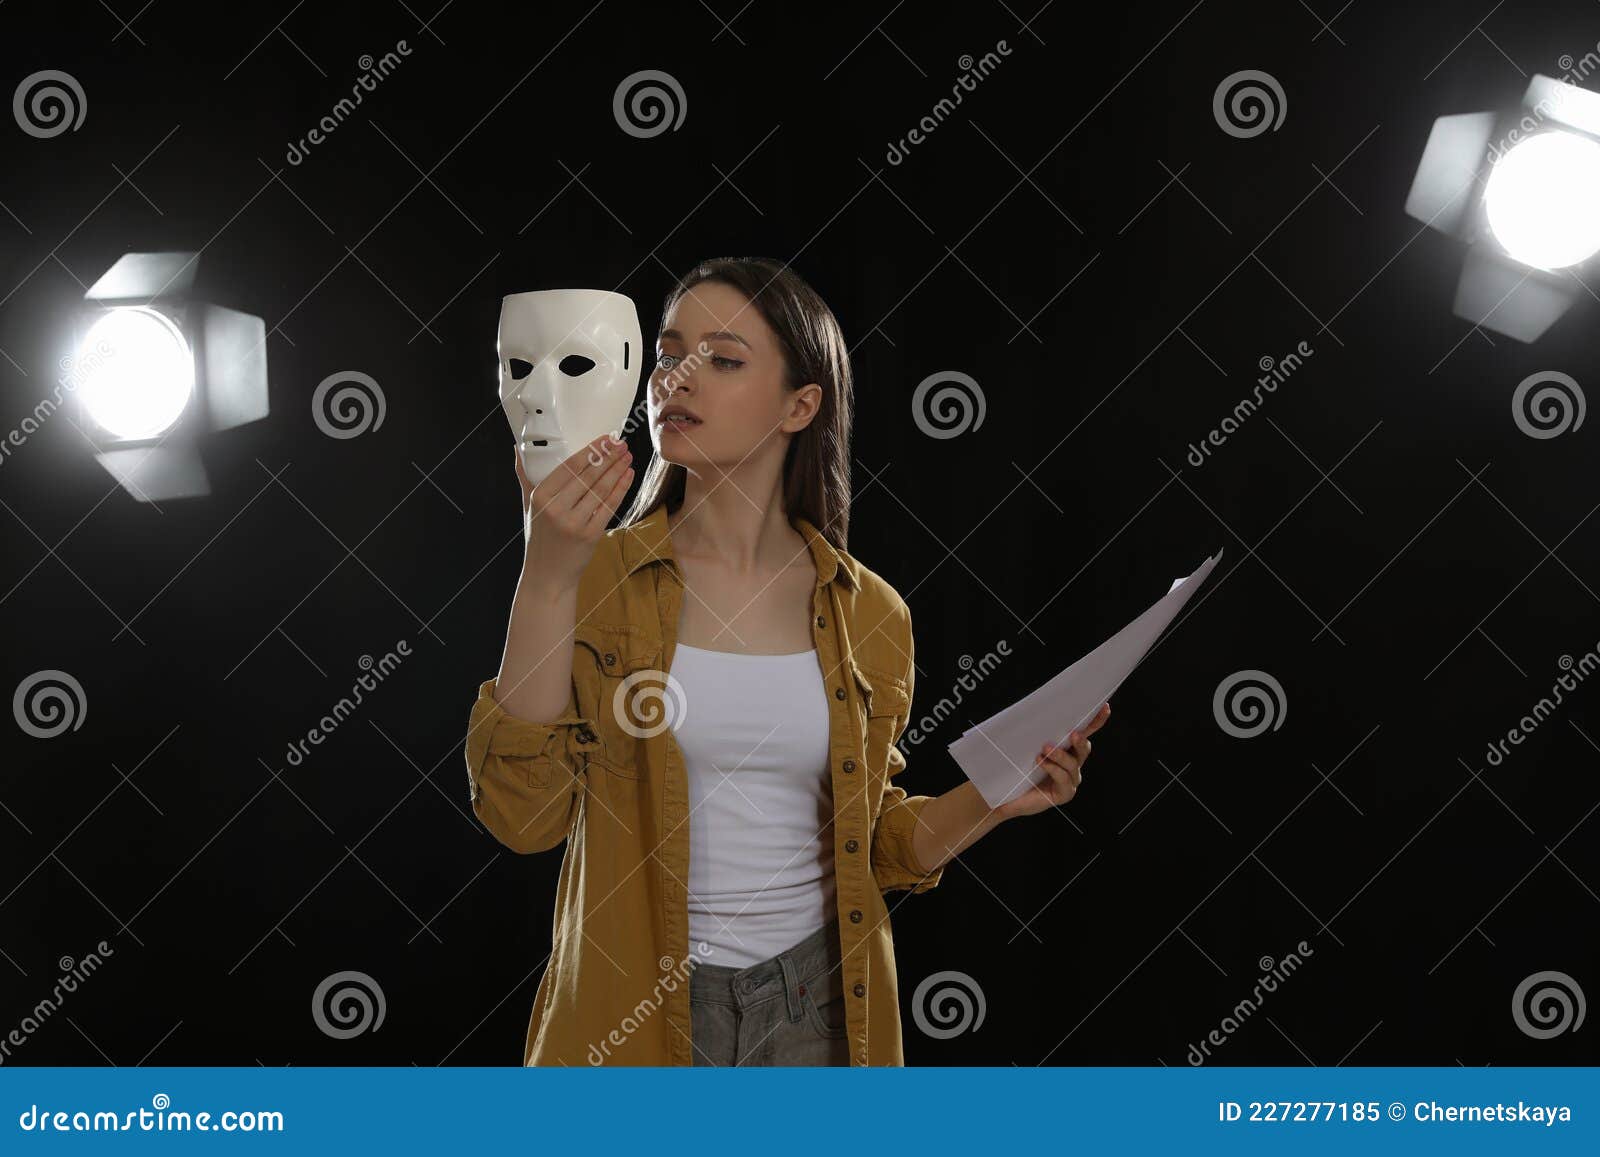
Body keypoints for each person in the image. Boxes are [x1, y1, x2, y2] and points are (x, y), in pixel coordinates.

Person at [466, 256, 1110, 1067]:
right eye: (668, 356)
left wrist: (994, 798)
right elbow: (521, 816)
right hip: (635, 1020)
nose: (678, 379)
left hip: (822, 1017)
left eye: (722, 359)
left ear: (802, 404)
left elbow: (870, 845)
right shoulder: (594, 576)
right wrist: (548, 575)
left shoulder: (871, 613)